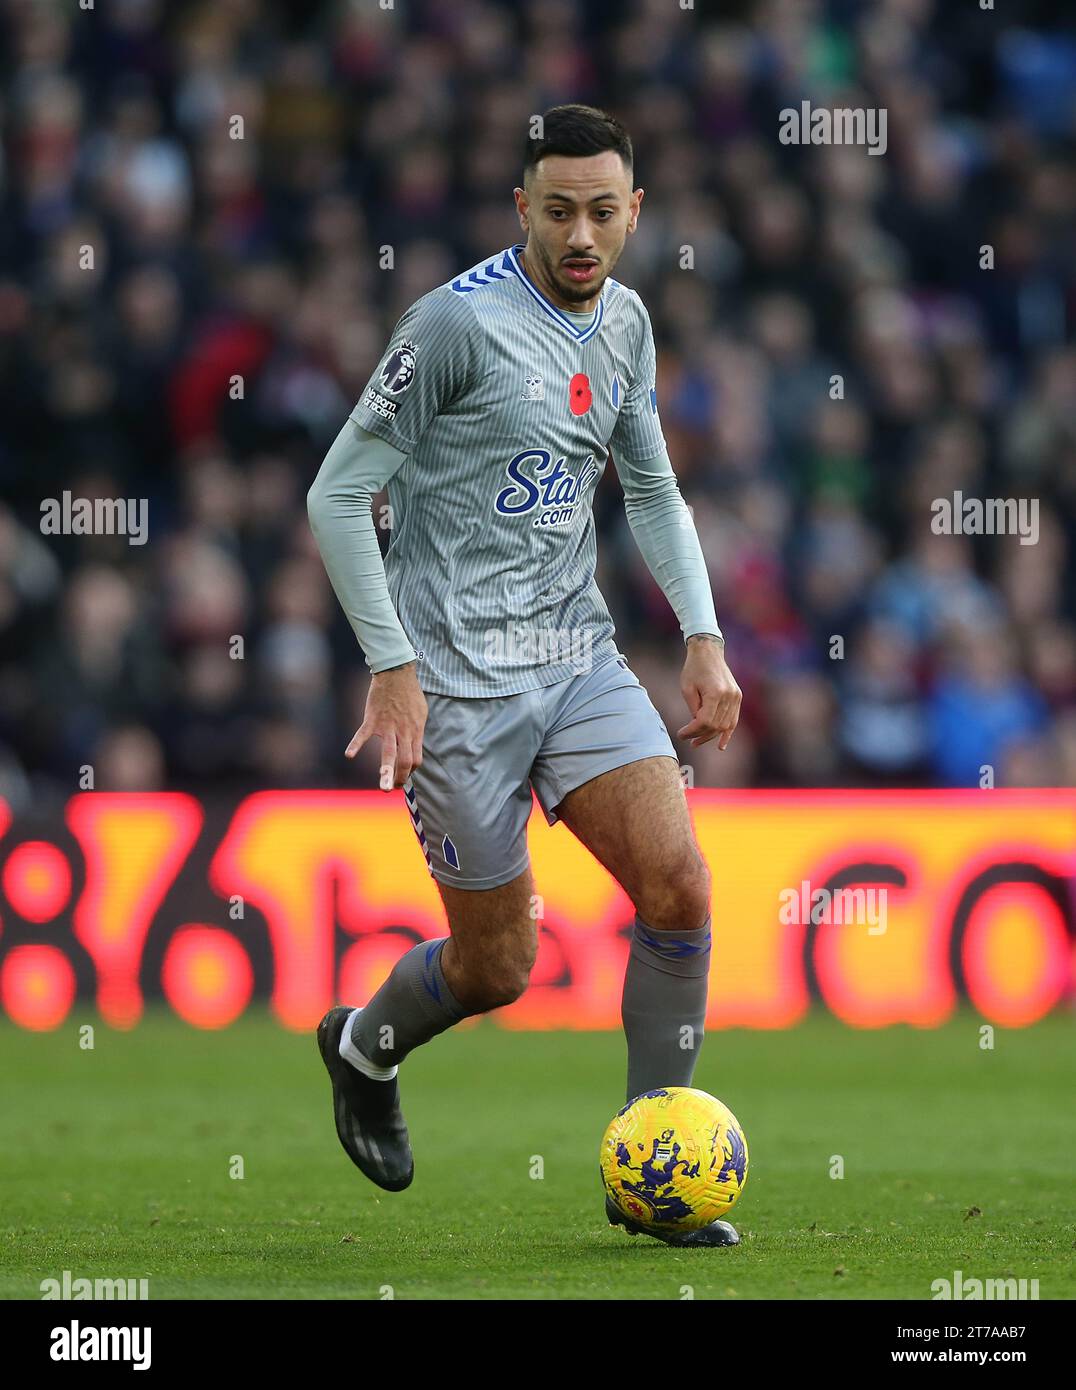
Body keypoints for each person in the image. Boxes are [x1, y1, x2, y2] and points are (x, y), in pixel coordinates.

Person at [307, 104, 742, 1246]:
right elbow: (335, 493)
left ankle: (653, 1167)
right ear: (521, 209)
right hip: (451, 688)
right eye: (558, 211)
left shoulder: (628, 326)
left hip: (575, 657)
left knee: (680, 888)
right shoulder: (453, 325)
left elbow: (647, 487)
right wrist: (390, 667)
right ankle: (363, 1047)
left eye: (603, 210)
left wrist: (699, 633)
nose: (582, 233)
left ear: (635, 211)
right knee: (498, 964)